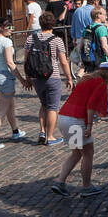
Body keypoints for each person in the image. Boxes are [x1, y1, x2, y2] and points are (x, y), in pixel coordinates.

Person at [51, 61, 108, 198]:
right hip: (76, 121)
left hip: (64, 117)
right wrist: (89, 126)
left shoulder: (87, 78)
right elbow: (91, 105)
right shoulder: (100, 83)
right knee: (88, 153)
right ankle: (86, 187)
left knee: (77, 153)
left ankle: (60, 182)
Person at [22, 12, 74, 145]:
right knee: (52, 107)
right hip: (52, 77)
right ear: (53, 24)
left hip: (36, 77)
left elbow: (26, 60)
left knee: (43, 105)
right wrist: (69, 77)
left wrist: (28, 77)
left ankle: (42, 131)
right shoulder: (56, 40)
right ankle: (50, 137)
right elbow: (63, 62)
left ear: (40, 23)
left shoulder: (31, 39)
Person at [0, 20, 26, 148]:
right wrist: (21, 79)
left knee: (9, 105)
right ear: (1, 27)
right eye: (9, 27)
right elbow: (10, 63)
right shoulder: (6, 42)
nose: (11, 29)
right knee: (2, 109)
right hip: (4, 77)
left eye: (12, 27)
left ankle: (15, 131)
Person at [84, 6, 108, 117]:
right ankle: (106, 111)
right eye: (104, 14)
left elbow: (81, 45)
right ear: (98, 15)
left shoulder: (87, 27)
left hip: (90, 61)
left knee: (95, 87)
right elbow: (104, 46)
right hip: (102, 62)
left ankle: (92, 112)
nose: (106, 16)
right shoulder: (101, 28)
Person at [68, 0, 92, 76]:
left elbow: (73, 26)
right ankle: (80, 79)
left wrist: (73, 38)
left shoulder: (76, 12)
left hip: (78, 39)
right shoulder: (92, 10)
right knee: (86, 63)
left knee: (83, 62)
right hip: (89, 39)